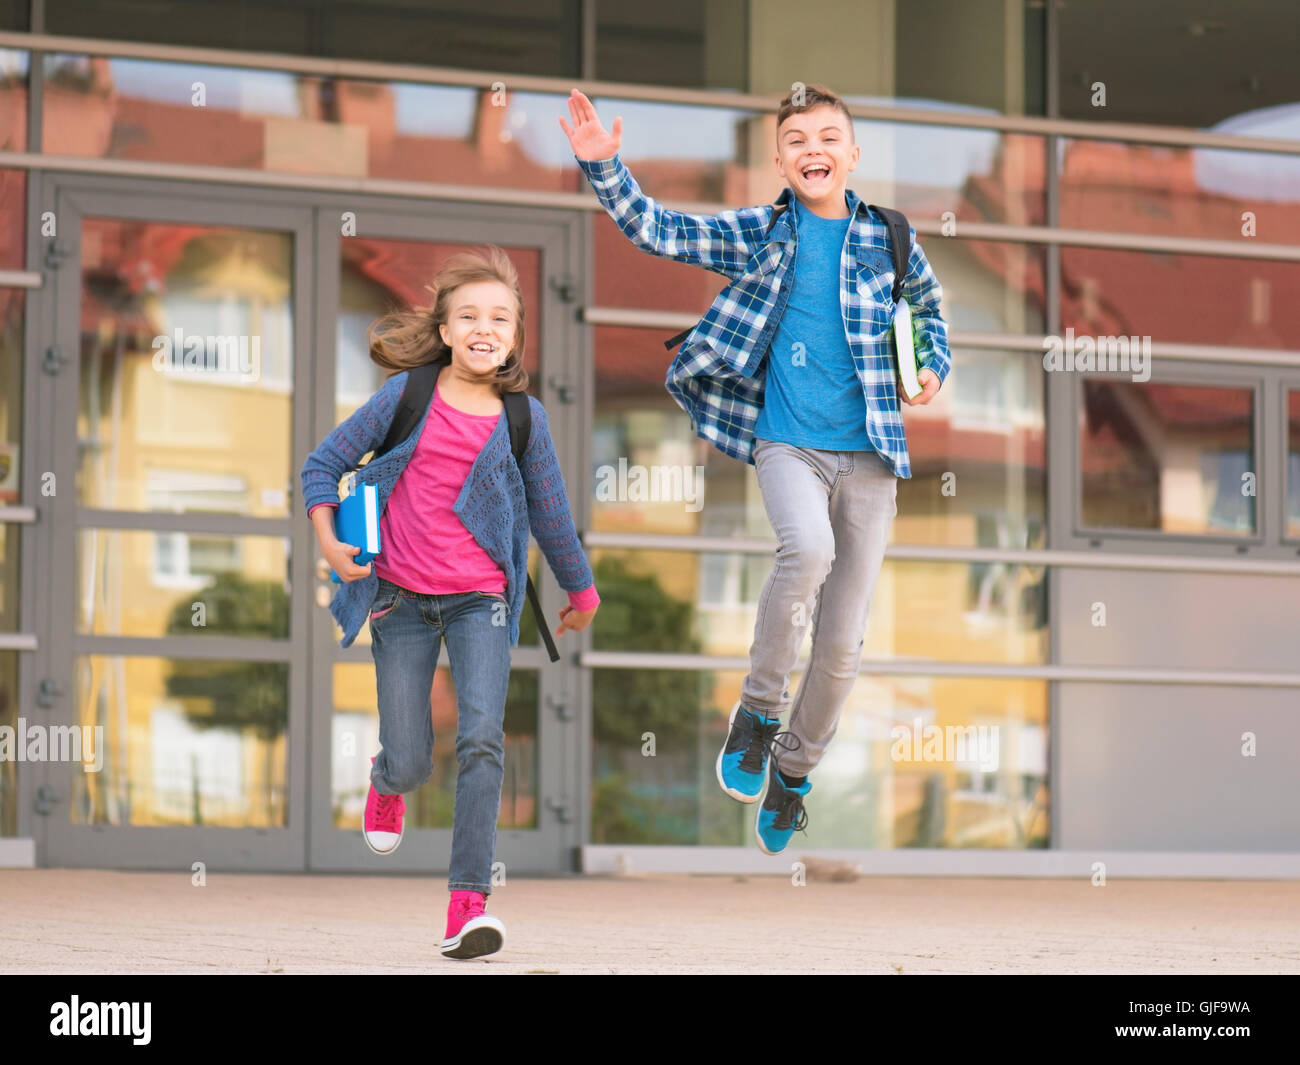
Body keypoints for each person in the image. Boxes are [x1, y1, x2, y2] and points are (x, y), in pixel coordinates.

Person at [560, 84, 949, 855]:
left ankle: (794, 772)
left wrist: (930, 366)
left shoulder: (893, 239)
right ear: (778, 160)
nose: (814, 150)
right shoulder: (763, 233)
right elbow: (659, 230)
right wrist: (607, 168)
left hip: (870, 458)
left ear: (853, 154)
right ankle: (758, 715)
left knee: (842, 644)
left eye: (829, 137)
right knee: (806, 551)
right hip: (787, 443)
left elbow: (930, 314)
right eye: (797, 140)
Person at [300, 246, 599, 958]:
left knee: (481, 738)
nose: (483, 326)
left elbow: (552, 513)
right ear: (444, 330)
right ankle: (387, 780)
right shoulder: (405, 397)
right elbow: (323, 464)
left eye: (499, 316)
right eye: (468, 315)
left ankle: (467, 903)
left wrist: (581, 589)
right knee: (411, 754)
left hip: (481, 601)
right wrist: (331, 543)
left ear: (515, 335)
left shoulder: (522, 419)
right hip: (399, 598)